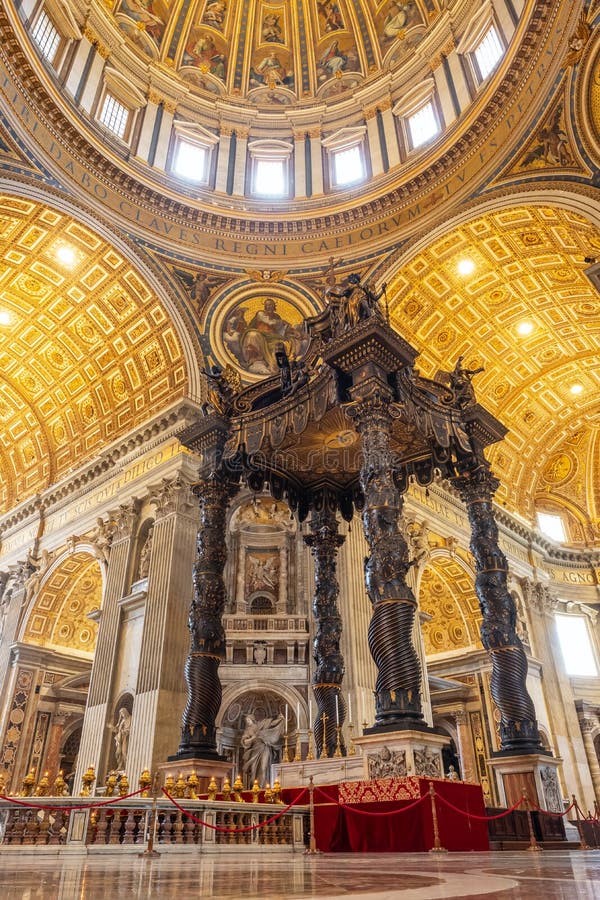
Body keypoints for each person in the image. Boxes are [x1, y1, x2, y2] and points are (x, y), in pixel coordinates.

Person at [241, 713, 284, 788]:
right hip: (254, 750)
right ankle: (254, 787)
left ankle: (262, 787)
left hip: (264, 747)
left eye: (248, 719)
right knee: (253, 770)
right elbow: (245, 741)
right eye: (246, 720)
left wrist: (279, 719)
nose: (247, 721)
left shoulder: (261, 724)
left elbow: (271, 724)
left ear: (252, 719)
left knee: (263, 767)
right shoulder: (247, 730)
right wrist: (252, 738)